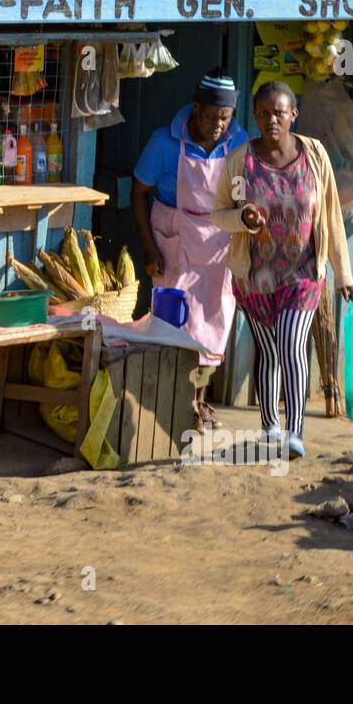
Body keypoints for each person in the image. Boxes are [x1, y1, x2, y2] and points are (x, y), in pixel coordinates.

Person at [212, 81, 353, 459]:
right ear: (256, 117)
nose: (271, 119)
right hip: (255, 276)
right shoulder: (240, 162)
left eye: (279, 112)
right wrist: (242, 217)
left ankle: (294, 432)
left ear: (293, 114)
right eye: (263, 113)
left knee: (292, 345)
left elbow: (331, 215)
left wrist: (344, 274)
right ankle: (270, 427)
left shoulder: (314, 155)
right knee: (269, 349)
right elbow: (219, 214)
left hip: (304, 272)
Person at [132, 67, 248, 431]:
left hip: (218, 242)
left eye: (225, 118)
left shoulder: (239, 141)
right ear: (196, 108)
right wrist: (150, 247)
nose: (218, 125)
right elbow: (139, 192)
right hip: (175, 239)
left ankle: (200, 399)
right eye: (211, 116)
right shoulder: (165, 143)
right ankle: (178, 403)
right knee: (176, 320)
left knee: (215, 319)